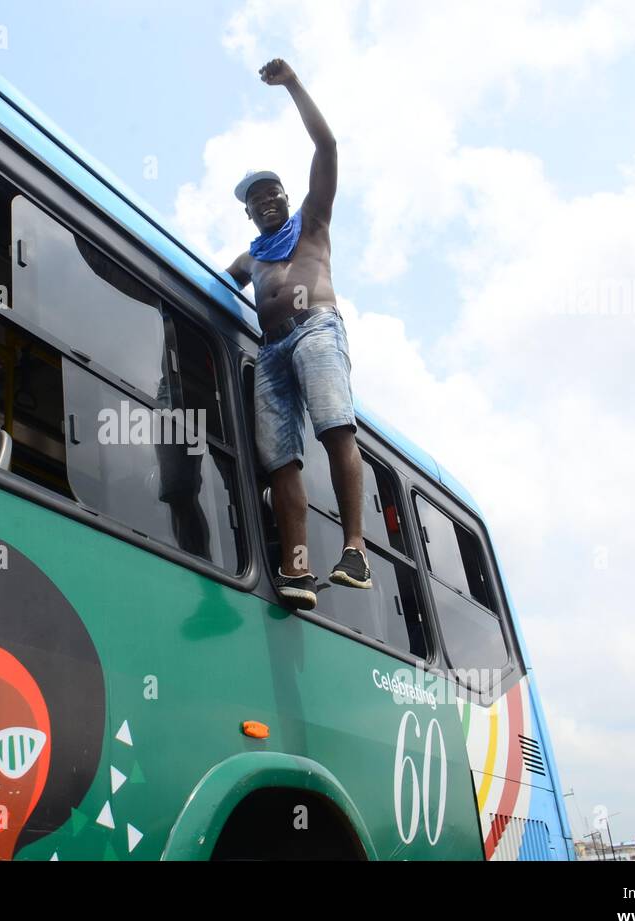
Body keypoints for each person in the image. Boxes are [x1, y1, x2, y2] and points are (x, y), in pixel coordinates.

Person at [225, 58, 370, 609]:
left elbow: (327, 147)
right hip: (271, 349)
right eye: (254, 200)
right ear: (248, 214)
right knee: (279, 459)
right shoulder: (249, 259)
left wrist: (293, 86)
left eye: (272, 193)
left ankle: (354, 550)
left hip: (316, 328)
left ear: (287, 196)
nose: (265, 201)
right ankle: (297, 568)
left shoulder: (311, 221)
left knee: (335, 427)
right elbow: (207, 285)